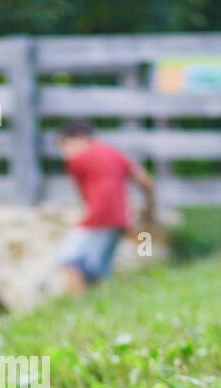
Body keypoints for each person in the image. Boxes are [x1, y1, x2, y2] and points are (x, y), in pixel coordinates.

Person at [56, 119, 155, 294]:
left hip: (98, 218)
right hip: (121, 220)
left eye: (64, 144)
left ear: (78, 138)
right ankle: (100, 309)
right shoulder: (115, 153)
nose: (63, 151)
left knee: (70, 263)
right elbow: (146, 181)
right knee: (98, 272)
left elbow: (84, 199)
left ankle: (80, 311)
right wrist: (149, 210)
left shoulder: (77, 159)